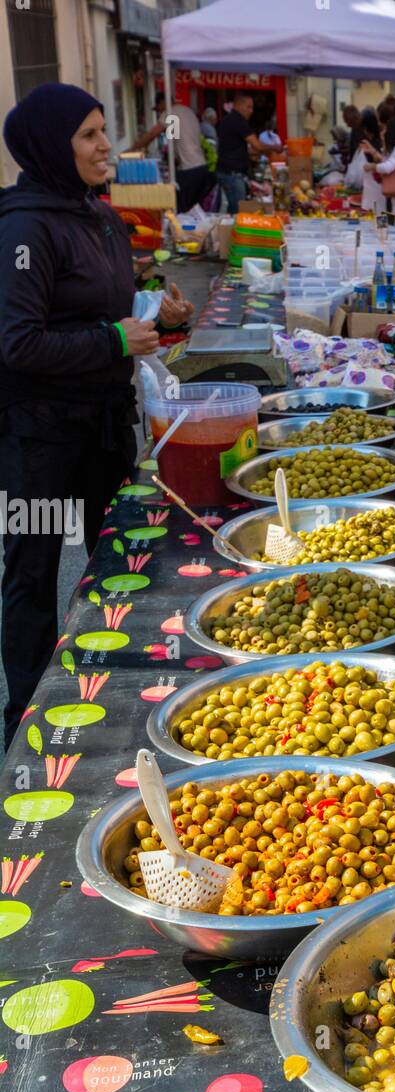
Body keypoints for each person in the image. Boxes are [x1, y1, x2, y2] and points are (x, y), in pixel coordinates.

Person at [0, 84, 192, 748]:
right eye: (88, 134)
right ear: (54, 147)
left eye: (104, 130)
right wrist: (113, 339)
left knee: (115, 560)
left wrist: (155, 314)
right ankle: (25, 722)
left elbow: (100, 307)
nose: (105, 145)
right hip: (37, 439)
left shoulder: (97, 216)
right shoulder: (24, 226)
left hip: (103, 425)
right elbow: (18, 341)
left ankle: (109, 696)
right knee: (31, 571)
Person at [130, 94, 212, 213]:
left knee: (180, 209)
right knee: (192, 210)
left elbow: (152, 134)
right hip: (201, 167)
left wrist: (132, 148)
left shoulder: (170, 112)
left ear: (163, 102)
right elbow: (178, 140)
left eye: (159, 109)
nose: (160, 113)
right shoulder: (187, 111)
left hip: (190, 170)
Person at [216, 92, 268, 213]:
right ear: (238, 105)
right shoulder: (237, 121)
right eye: (248, 107)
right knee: (240, 211)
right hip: (233, 174)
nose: (251, 111)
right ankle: (237, 231)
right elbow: (257, 145)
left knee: (236, 208)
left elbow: (235, 147)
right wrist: (275, 148)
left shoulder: (229, 119)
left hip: (228, 172)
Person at [354, 108, 385, 214]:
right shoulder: (377, 142)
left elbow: (381, 163)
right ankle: (381, 230)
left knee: (375, 217)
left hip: (375, 189)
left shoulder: (372, 144)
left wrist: (371, 166)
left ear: (365, 128)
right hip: (377, 191)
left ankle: (380, 230)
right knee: (380, 217)